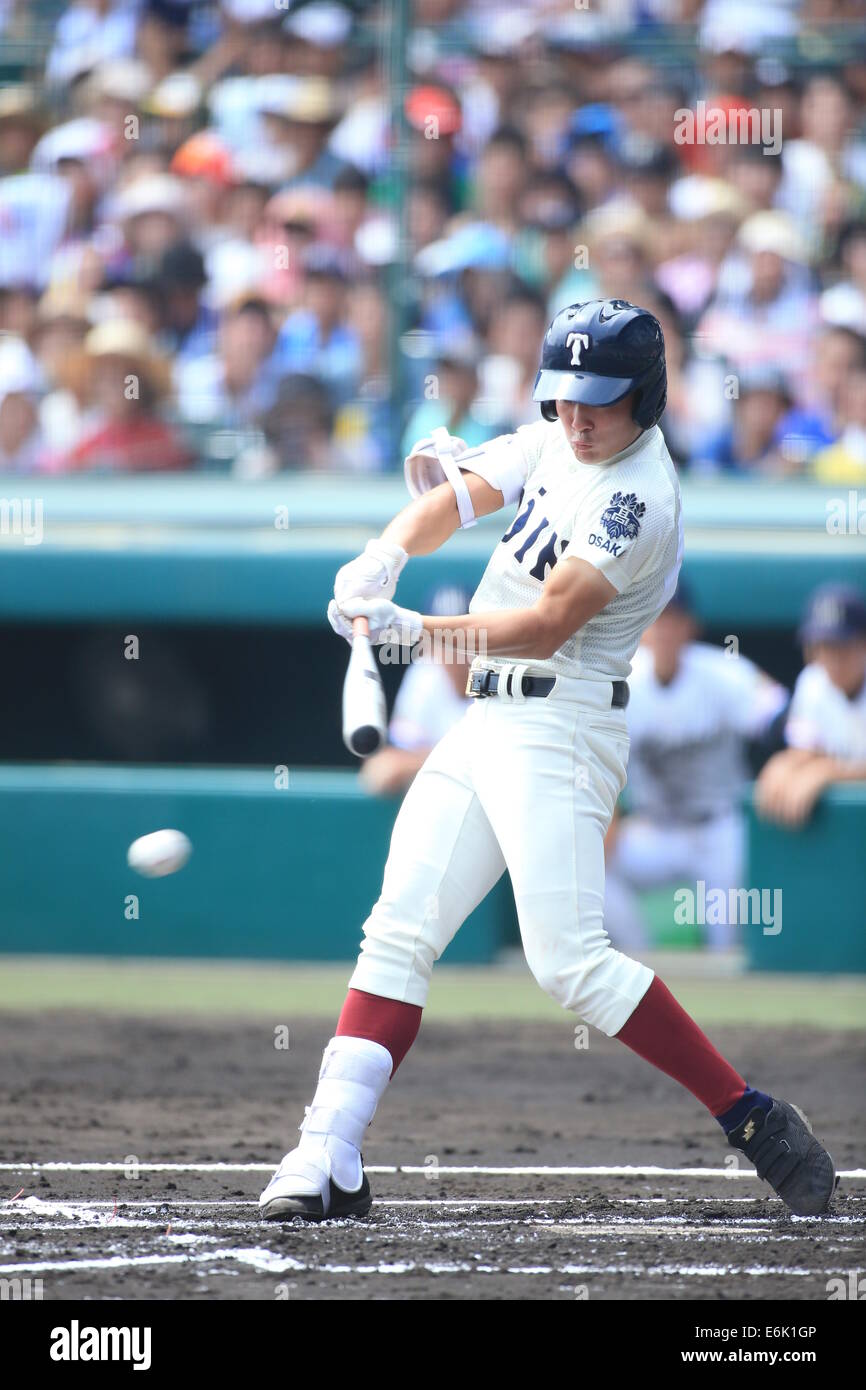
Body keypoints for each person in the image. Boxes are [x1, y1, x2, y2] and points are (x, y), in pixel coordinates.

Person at [258, 298, 836, 1223]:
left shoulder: (639, 493)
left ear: (644, 398)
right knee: (399, 928)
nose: (575, 418)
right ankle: (326, 1148)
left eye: (596, 402)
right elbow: (453, 498)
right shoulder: (557, 436)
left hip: (562, 726)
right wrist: (380, 559)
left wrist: (415, 630)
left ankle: (754, 1118)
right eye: (564, 399)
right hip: (487, 722)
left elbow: (546, 623)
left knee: (569, 964)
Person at [603, 583, 787, 950]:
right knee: (587, 872)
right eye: (656, 619)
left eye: (673, 620)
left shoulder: (722, 673)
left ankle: (733, 990)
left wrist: (784, 764)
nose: (665, 630)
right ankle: (644, 965)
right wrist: (610, 814)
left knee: (729, 943)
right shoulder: (622, 682)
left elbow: (783, 719)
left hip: (717, 829)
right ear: (642, 626)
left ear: (690, 627)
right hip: (653, 830)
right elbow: (594, 756)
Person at [756, 584, 866, 827]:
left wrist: (829, 773)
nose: (834, 659)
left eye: (843, 646)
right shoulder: (814, 682)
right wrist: (786, 763)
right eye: (826, 646)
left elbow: (823, 767)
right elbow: (805, 750)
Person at [360, 585, 473, 798]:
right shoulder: (426, 676)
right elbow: (387, 768)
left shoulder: (499, 675)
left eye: (462, 637)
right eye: (443, 639)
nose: (454, 649)